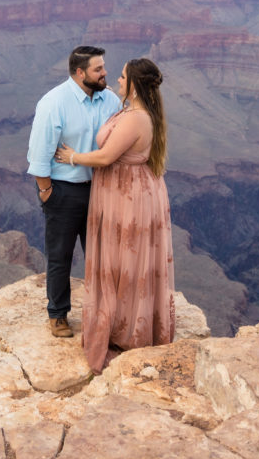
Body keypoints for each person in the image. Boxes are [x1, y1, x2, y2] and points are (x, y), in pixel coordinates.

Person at [55, 56, 175, 373]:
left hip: (129, 198)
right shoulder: (131, 110)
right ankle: (127, 323)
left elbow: (107, 156)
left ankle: (127, 332)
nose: (117, 81)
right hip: (124, 192)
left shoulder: (136, 118)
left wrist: (71, 157)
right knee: (125, 261)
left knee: (125, 261)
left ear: (134, 85)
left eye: (122, 77)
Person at [26, 44, 122, 338]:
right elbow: (39, 154)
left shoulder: (110, 101)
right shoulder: (54, 103)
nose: (105, 73)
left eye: (104, 67)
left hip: (101, 189)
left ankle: (105, 315)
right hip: (64, 191)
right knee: (60, 256)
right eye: (98, 69)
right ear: (80, 73)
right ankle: (57, 315)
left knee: (103, 257)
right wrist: (47, 193)